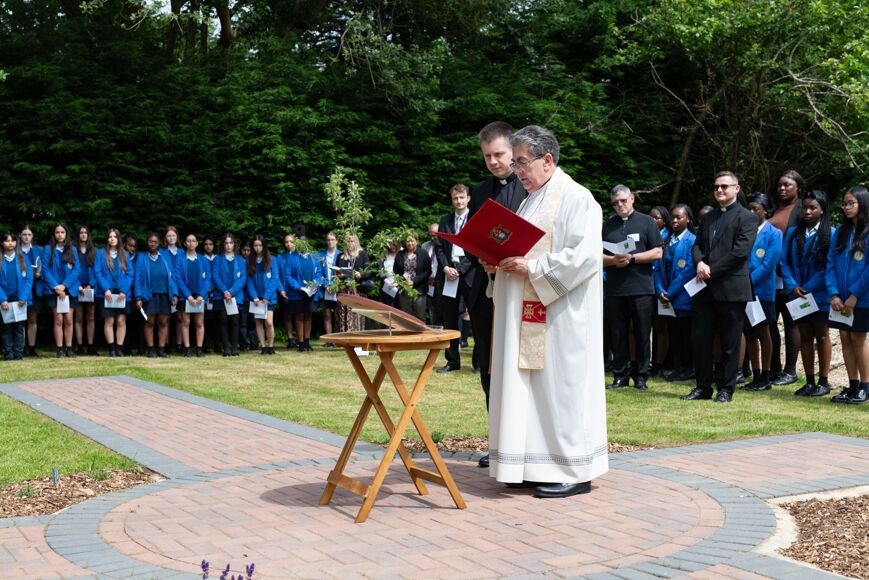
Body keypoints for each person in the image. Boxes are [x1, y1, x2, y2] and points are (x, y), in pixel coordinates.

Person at [482, 125, 607, 498]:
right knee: (533, 390)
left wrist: (532, 268)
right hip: (527, 313)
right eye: (516, 163)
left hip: (562, 317)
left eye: (522, 162)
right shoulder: (531, 200)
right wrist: (497, 262)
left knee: (560, 390)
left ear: (547, 160)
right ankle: (533, 465)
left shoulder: (577, 199)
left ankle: (573, 469)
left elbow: (585, 257)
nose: (517, 171)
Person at [468, 121, 528, 469]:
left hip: (520, 290)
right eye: (487, 156)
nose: (493, 162)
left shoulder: (531, 188)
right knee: (489, 365)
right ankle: (497, 441)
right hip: (486, 290)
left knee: (516, 366)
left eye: (499, 154)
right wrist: (480, 255)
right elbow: (476, 235)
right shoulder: (480, 192)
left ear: (513, 150)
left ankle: (523, 442)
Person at [682, 172, 757, 403]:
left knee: (730, 342)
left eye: (725, 186)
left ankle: (726, 388)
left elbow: (740, 252)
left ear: (737, 188)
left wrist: (710, 269)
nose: (720, 190)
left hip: (731, 288)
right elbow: (696, 246)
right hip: (704, 288)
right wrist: (699, 262)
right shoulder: (708, 217)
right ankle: (703, 387)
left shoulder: (747, 217)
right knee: (700, 338)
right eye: (716, 187)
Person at [602, 185, 663, 390]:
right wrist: (613, 260)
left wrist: (633, 258)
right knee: (617, 333)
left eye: (623, 200)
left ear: (632, 199)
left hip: (641, 287)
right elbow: (596, 255)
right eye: (615, 203)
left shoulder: (647, 222)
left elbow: (657, 252)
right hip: (615, 289)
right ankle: (620, 375)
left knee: (642, 333)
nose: (620, 205)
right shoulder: (607, 225)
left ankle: (641, 375)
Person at [781, 190, 834, 397]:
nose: (807, 211)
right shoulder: (793, 232)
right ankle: (809, 381)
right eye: (804, 208)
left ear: (822, 210)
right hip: (797, 294)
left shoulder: (831, 233)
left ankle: (824, 381)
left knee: (822, 335)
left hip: (819, 294)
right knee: (804, 336)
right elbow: (783, 261)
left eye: (813, 208)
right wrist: (792, 285)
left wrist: (808, 287)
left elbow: (828, 266)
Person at [826, 186, 869, 405]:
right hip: (840, 299)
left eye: (851, 203)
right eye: (844, 203)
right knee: (844, 337)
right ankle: (852, 386)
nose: (846, 207)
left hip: (861, 298)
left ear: (863, 203)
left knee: (858, 338)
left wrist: (854, 295)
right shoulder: (840, 232)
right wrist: (834, 294)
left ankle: (865, 387)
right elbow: (830, 265)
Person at [768, 170, 806, 386]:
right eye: (780, 185)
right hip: (770, 276)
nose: (782, 188)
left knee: (792, 322)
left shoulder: (801, 210)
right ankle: (774, 368)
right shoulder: (774, 209)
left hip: (791, 276)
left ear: (798, 187)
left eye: (787, 185)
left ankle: (790, 370)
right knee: (771, 322)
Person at [742, 193, 782, 391]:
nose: (751, 212)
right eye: (749, 209)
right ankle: (756, 374)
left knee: (763, 333)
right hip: (743, 291)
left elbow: (768, 265)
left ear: (765, 211)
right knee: (749, 333)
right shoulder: (743, 231)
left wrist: (747, 283)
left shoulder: (774, 233)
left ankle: (766, 376)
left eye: (755, 209)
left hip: (762, 292)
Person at [654, 204, 696, 381]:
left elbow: (688, 270)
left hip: (683, 296)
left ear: (688, 219)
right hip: (666, 295)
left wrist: (670, 292)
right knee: (674, 333)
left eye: (679, 217)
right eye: (673, 217)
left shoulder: (692, 240)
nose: (675, 220)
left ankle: (688, 368)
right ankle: (678, 368)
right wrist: (660, 290)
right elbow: (657, 267)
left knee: (685, 333)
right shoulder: (666, 240)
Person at [436, 185, 474, 373]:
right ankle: (452, 361)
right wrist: (445, 267)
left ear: (468, 198)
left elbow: (477, 248)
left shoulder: (474, 219)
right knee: (449, 318)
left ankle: (479, 363)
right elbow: (439, 248)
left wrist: (460, 269)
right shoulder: (445, 220)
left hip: (469, 273)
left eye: (461, 197)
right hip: (449, 274)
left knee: (475, 317)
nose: (458, 201)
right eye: (455, 198)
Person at [135, 233, 177, 358]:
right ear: (147, 242)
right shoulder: (141, 258)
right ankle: (150, 349)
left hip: (164, 294)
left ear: (159, 244)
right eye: (150, 241)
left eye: (155, 242)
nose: (152, 244)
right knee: (149, 322)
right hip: (149, 294)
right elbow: (137, 279)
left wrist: (175, 293)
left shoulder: (165, 257)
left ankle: (161, 349)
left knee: (163, 322)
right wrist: (138, 297)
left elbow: (172, 277)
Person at [42, 223, 81, 358]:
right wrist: (57, 287)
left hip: (69, 289)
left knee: (69, 319)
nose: (60, 235)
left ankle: (69, 348)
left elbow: (77, 270)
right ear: (54, 234)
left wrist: (64, 286)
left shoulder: (72, 249)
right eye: (57, 232)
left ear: (66, 234)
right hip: (53, 289)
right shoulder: (48, 249)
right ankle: (59, 349)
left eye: (62, 232)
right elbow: (45, 270)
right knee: (58, 319)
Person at [94, 228, 133, 357]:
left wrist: (124, 291)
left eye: (114, 237)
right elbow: (98, 272)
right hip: (107, 293)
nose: (112, 239)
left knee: (121, 321)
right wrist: (106, 289)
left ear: (118, 239)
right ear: (107, 239)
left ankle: (119, 348)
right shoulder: (101, 253)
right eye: (110, 236)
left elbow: (130, 274)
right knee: (109, 321)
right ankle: (111, 349)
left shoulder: (125, 254)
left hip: (121, 293)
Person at [175, 233, 210, 357]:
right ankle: (187, 349)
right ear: (185, 243)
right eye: (188, 241)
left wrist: (202, 295)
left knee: (199, 323)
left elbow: (208, 278)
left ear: (197, 243)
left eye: (193, 241)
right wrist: (188, 295)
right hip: (186, 296)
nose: (191, 243)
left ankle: (199, 349)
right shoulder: (180, 260)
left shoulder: (203, 259)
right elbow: (178, 278)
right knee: (185, 322)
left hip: (200, 295)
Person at [0, 232, 33, 360]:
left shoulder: (23, 258)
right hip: (5, 300)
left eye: (12, 240)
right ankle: (8, 353)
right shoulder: (0, 259)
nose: (10, 243)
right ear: (2, 243)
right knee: (6, 328)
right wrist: (2, 299)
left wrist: (23, 297)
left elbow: (29, 279)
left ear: (16, 242)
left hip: (20, 300)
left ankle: (18, 353)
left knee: (19, 328)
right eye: (7, 240)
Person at [212, 234, 246, 357]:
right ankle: (226, 348)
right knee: (223, 320)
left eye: (231, 243)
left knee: (235, 320)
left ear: (234, 244)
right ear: (223, 245)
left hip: (236, 295)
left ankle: (234, 348)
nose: (228, 245)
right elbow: (215, 277)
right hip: (221, 295)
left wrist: (231, 292)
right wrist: (225, 291)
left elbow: (242, 279)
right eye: (226, 243)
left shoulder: (240, 260)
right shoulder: (217, 259)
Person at [246, 234, 279, 355]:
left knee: (268, 322)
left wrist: (266, 296)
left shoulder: (272, 260)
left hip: (268, 297)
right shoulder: (249, 261)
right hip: (256, 298)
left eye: (260, 245)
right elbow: (248, 280)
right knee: (258, 322)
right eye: (255, 245)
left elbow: (275, 279)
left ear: (264, 246)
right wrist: (254, 296)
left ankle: (271, 345)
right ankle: (263, 347)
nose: (257, 248)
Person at [649, 206, 672, 377]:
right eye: (650, 217)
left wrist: (661, 290)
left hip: (662, 289)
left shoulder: (669, 237)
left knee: (661, 327)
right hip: (646, 286)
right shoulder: (647, 234)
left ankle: (659, 364)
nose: (653, 220)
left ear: (664, 220)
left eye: (657, 218)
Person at [334, 234, 371, 332]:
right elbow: (336, 272)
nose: (350, 243)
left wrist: (360, 274)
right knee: (343, 316)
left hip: (357, 290)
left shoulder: (362, 255)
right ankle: (345, 336)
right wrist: (339, 275)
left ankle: (357, 335)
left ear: (356, 242)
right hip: (344, 290)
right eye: (348, 241)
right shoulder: (340, 256)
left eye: (352, 241)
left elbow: (369, 272)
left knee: (356, 316)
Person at [393, 233, 431, 320]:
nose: (410, 243)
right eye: (408, 241)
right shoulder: (400, 254)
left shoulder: (423, 253)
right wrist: (403, 281)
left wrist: (414, 281)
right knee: (405, 317)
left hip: (419, 290)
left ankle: (420, 329)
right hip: (404, 290)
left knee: (420, 317)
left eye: (412, 241)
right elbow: (395, 272)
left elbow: (427, 271)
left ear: (417, 241)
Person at [73, 225, 98, 355]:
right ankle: (80, 346)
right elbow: (71, 270)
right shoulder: (72, 250)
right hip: (77, 287)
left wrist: (91, 285)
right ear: (78, 235)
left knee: (90, 316)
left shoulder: (94, 251)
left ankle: (91, 346)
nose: (83, 235)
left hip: (90, 287)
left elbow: (98, 270)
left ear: (88, 235)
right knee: (78, 317)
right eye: (81, 232)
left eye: (85, 232)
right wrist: (78, 285)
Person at [19, 226, 43, 357]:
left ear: (32, 236)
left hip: (35, 288)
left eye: (29, 234)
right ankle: (21, 347)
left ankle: (32, 348)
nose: (26, 237)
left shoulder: (39, 250)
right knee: (21, 319)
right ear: (20, 235)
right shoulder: (16, 250)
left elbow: (44, 266)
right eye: (24, 234)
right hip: (21, 289)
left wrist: (39, 274)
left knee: (33, 318)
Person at [316, 231, 341, 346]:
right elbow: (318, 273)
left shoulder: (341, 254)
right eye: (328, 240)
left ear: (337, 241)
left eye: (332, 239)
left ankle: (338, 339)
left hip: (337, 289)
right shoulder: (321, 255)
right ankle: (329, 340)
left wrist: (335, 285)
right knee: (326, 315)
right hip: (325, 289)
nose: (330, 242)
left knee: (338, 315)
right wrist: (326, 285)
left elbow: (341, 272)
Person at [161, 226, 184, 354]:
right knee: (166, 318)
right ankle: (166, 343)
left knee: (180, 318)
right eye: (169, 235)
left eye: (173, 235)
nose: (171, 238)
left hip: (180, 288)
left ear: (177, 237)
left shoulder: (182, 252)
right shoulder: (161, 252)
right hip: (167, 287)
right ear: (165, 237)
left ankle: (179, 344)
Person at [421, 223, 441, 325]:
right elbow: (421, 263)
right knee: (432, 310)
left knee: (443, 310)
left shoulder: (444, 245)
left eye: (434, 236)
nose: (432, 238)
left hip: (441, 282)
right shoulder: (425, 246)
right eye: (430, 235)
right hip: (429, 282)